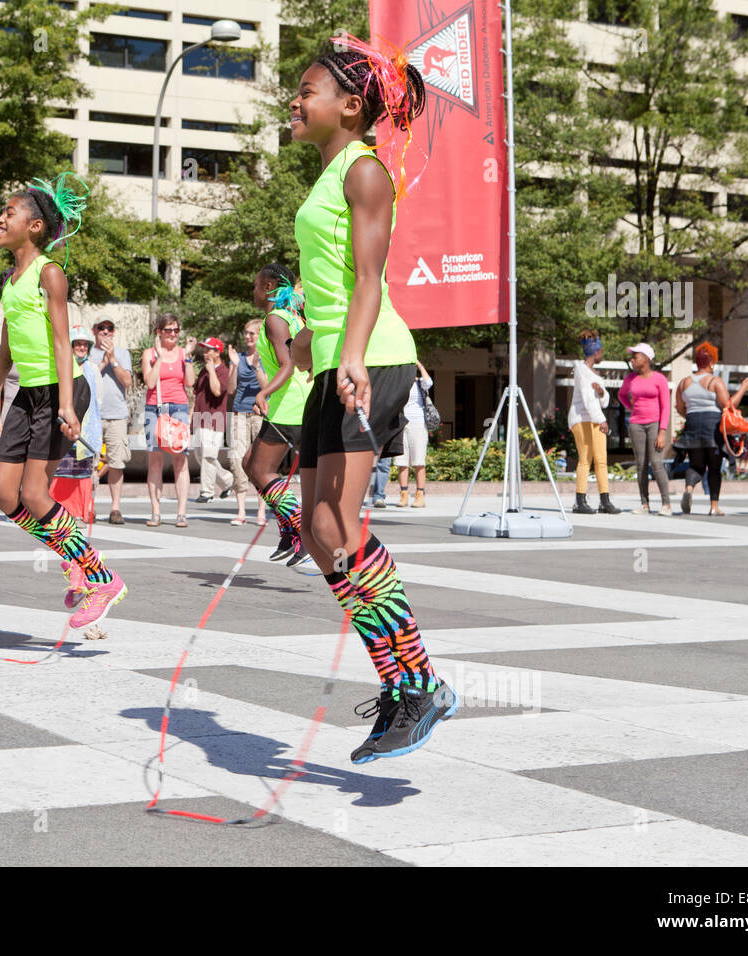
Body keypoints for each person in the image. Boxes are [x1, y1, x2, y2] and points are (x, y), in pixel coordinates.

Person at [288, 37, 456, 763]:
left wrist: (350, 353)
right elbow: (328, 285)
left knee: (338, 522)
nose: (295, 101)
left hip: (374, 356)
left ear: (351, 107)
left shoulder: (364, 172)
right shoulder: (327, 178)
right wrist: (307, 342)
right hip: (332, 360)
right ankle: (402, 681)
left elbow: (367, 280)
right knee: (316, 528)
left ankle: (418, 681)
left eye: (308, 90)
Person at [0, 173, 125, 630]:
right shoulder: (10, 281)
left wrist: (68, 406)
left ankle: (101, 576)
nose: (0, 218)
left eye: (10, 213)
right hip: (26, 392)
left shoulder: (48, 273)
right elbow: (6, 355)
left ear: (34, 226)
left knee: (36, 494)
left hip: (61, 390)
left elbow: (62, 343)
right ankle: (75, 556)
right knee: (2, 492)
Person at [243, 263, 311, 566]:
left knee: (260, 470)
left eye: (257, 285)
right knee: (249, 462)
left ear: (269, 286)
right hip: (293, 403)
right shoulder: (293, 317)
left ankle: (299, 527)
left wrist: (263, 392)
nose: (254, 291)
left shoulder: (274, 319)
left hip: (288, 405)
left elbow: (287, 364)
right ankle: (290, 529)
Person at [58, 325, 105, 606]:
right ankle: (80, 568)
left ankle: (82, 572)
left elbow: (96, 408)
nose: (82, 348)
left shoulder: (94, 371)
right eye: (77, 344)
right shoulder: (61, 367)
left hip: (83, 445)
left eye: (86, 345)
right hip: (61, 444)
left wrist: (95, 445)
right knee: (54, 513)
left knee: (72, 516)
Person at [674, 341, 748, 516]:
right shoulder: (715, 381)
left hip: (692, 425)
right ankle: (714, 506)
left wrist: (691, 417)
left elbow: (679, 407)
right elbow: (728, 406)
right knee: (714, 467)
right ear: (711, 363)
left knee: (696, 465)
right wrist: (743, 389)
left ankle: (689, 488)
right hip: (713, 426)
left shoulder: (684, 383)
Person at [140, 313, 195, 528]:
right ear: (159, 332)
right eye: (168, 330)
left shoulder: (183, 354)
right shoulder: (149, 354)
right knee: (155, 460)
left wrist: (189, 358)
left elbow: (189, 382)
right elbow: (150, 383)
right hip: (155, 408)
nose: (173, 334)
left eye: (176, 330)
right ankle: (156, 511)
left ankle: (181, 513)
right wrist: (160, 358)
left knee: (181, 460)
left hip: (178, 408)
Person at [568, 329, 619, 514]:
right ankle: (579, 501)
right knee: (585, 459)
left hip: (595, 419)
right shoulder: (581, 370)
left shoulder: (596, 374)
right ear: (594, 352)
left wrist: (601, 392)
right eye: (601, 350)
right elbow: (587, 399)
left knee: (601, 460)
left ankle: (605, 501)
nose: (602, 354)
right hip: (581, 418)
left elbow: (603, 401)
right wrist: (602, 420)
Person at [618, 342, 672, 516]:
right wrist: (631, 408)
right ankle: (644, 504)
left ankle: (666, 504)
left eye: (636, 356)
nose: (632, 359)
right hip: (636, 424)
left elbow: (666, 407)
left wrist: (662, 431)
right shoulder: (630, 379)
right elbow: (621, 395)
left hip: (655, 424)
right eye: (632, 356)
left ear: (646, 358)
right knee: (641, 465)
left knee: (656, 463)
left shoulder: (659, 379)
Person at [87, 317, 132, 524]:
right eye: (101, 328)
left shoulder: (123, 353)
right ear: (93, 330)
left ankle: (115, 508)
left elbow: (127, 381)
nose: (105, 331)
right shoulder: (85, 352)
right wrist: (103, 361)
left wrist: (112, 359)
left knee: (116, 463)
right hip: (92, 416)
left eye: (109, 328)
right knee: (89, 464)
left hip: (117, 416)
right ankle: (88, 506)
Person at [226, 321, 267, 525]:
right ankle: (241, 511)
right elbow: (231, 389)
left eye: (252, 333)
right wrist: (234, 365)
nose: (248, 336)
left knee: (259, 460)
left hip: (260, 413)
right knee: (236, 458)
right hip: (240, 413)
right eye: (246, 333)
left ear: (260, 335)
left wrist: (257, 365)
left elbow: (267, 387)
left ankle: (260, 511)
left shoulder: (267, 357)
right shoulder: (239, 357)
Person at [191, 337, 236, 509]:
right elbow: (197, 394)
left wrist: (211, 371)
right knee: (200, 456)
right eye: (204, 349)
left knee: (209, 455)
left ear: (218, 352)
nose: (205, 353)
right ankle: (227, 479)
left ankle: (207, 492)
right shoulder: (203, 370)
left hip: (214, 419)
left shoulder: (223, 371)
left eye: (209, 350)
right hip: (200, 418)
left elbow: (217, 391)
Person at [393, 365, 433, 507]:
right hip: (402, 423)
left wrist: (420, 365)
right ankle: (403, 495)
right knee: (401, 462)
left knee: (418, 461)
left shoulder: (419, 383)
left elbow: (429, 382)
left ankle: (420, 495)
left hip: (418, 423)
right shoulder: (399, 382)